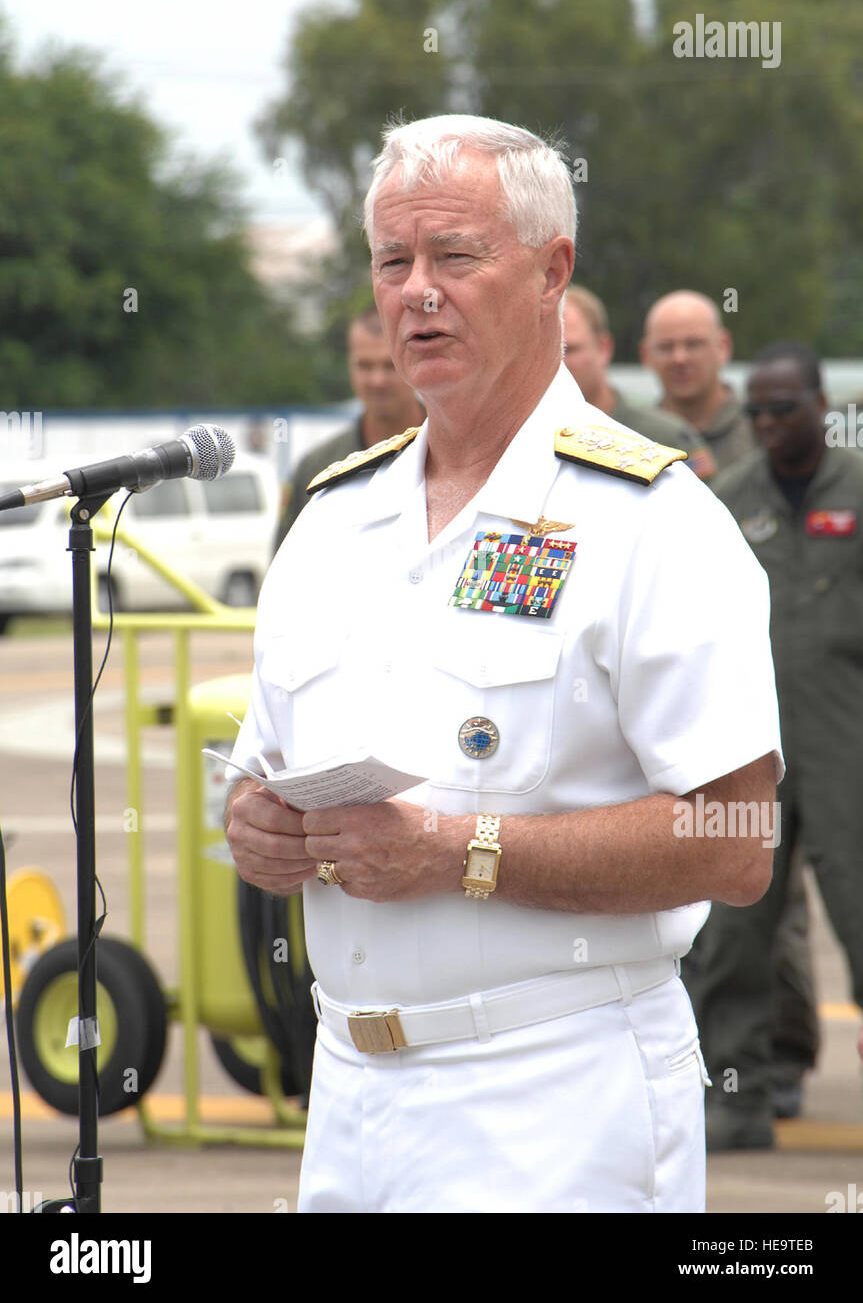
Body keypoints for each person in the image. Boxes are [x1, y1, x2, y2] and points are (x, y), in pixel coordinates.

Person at [225, 114, 781, 1214]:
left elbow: (736, 841)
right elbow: (258, 766)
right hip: (347, 1098)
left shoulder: (651, 521)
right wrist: (253, 822)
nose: (416, 291)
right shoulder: (331, 523)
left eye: (454, 256)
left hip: (555, 1101)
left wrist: (456, 850)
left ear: (549, 273)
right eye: (394, 261)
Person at [684, 341, 863, 1150]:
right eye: (752, 410)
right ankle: (738, 1096)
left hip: (844, 737)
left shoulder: (856, 487)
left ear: (821, 403)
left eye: (781, 407)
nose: (763, 423)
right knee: (732, 927)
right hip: (750, 747)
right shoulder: (730, 499)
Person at [271, 306, 425, 551]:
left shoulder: (456, 454)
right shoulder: (317, 468)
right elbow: (285, 569)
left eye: (390, 365)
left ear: (414, 361)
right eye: (365, 366)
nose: (377, 380)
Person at [563, 286, 717, 479]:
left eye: (569, 349)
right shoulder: (531, 436)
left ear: (603, 348)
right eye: (546, 351)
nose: (558, 362)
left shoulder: (664, 438)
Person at [640, 290, 757, 472]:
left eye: (694, 344)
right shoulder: (634, 439)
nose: (679, 358)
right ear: (646, 355)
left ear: (723, 347)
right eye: (665, 347)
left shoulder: (761, 430)